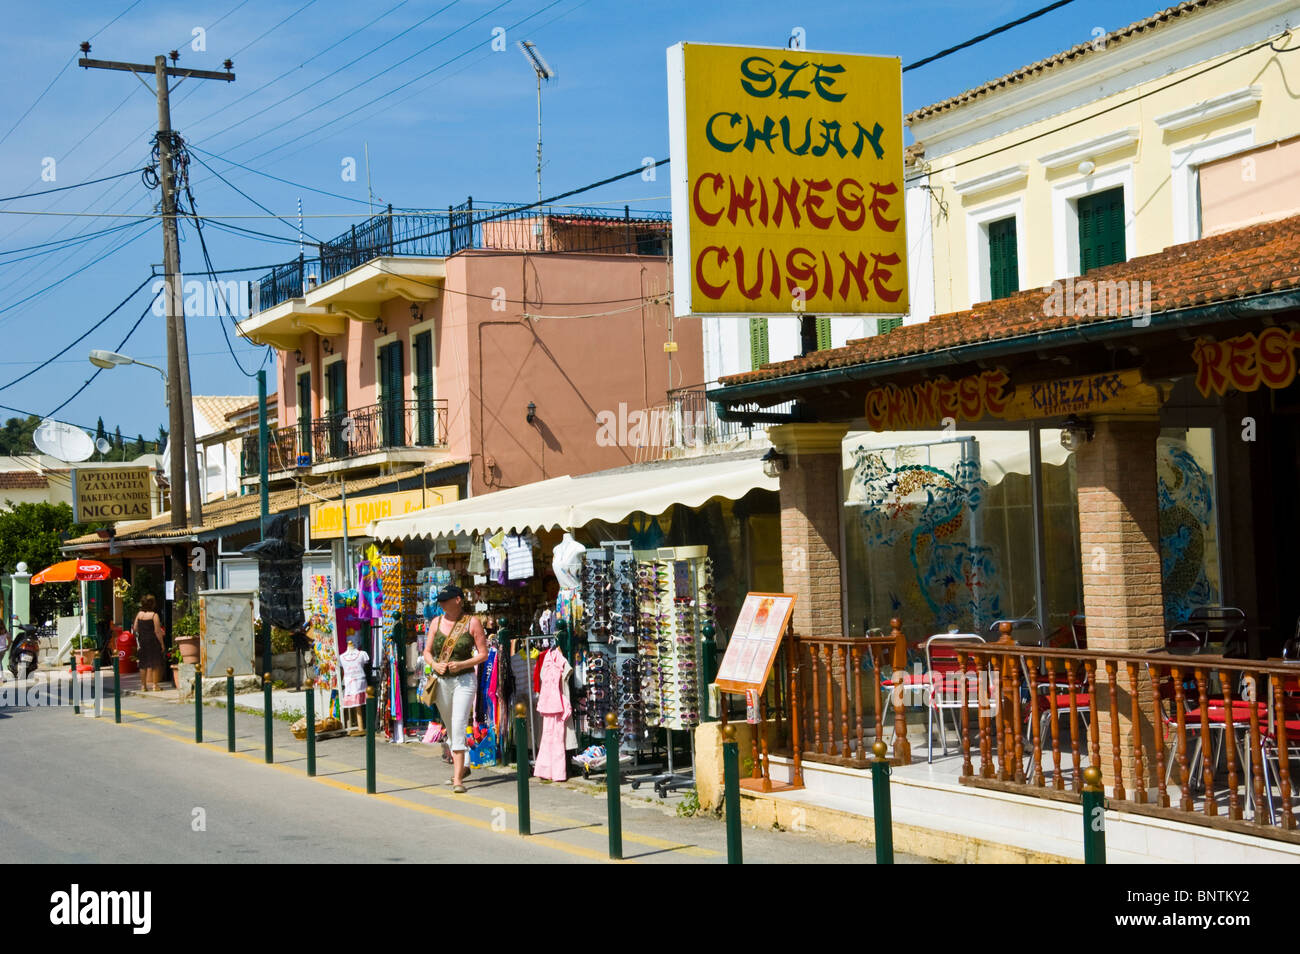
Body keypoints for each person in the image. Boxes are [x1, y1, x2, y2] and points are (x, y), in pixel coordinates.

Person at [422, 585, 488, 793]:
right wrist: (434, 665)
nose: (442, 603)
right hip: (441, 681)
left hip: (464, 680)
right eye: (440, 600)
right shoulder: (436, 622)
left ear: (458, 600)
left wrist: (463, 664)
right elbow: (427, 651)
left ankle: (457, 778)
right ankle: (465, 763)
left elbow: (483, 654)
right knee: (450, 726)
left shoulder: (472, 622)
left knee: (458, 723)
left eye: (446, 599)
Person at [132, 594, 166, 691]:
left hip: (143, 641)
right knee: (155, 663)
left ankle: (143, 686)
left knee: (143, 664)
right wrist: (162, 644)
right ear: (152, 604)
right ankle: (155, 686)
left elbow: (135, 628)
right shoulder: (154, 615)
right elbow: (157, 631)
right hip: (153, 641)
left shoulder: (139, 614)